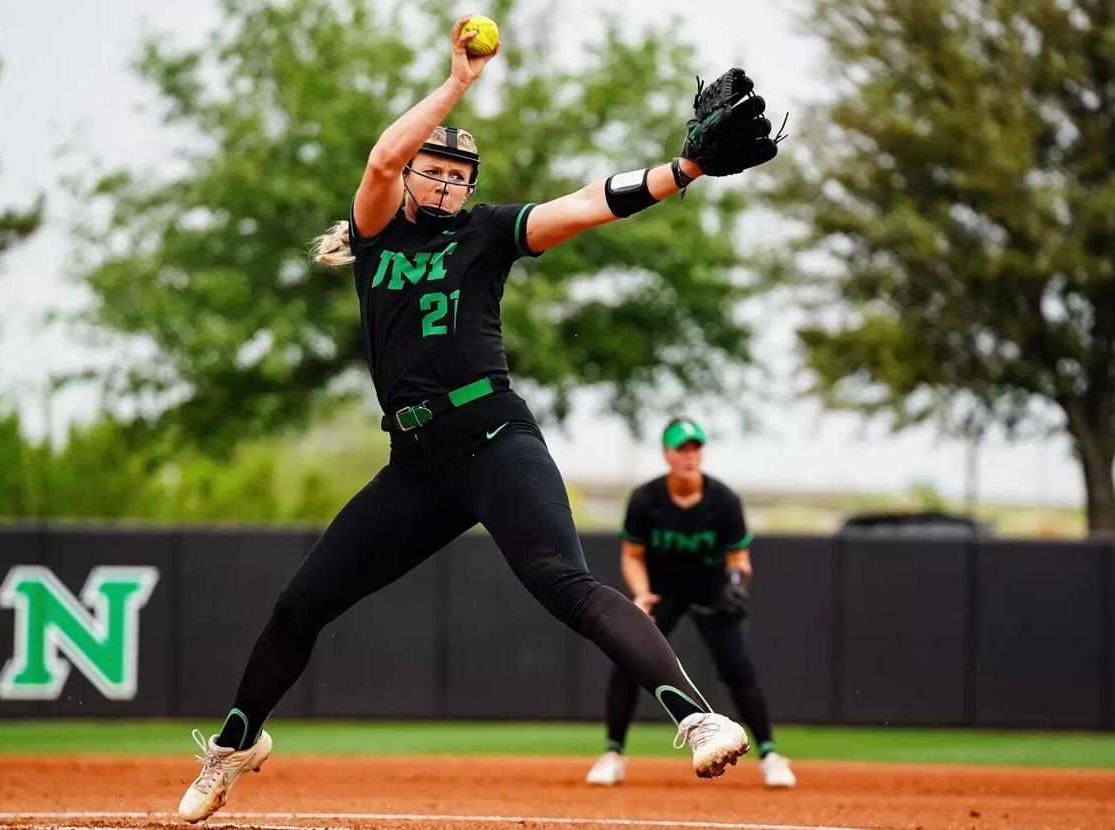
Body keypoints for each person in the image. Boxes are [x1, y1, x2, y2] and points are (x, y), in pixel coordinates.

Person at [178, 17, 782, 823]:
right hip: (416, 466)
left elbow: (587, 204)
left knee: (564, 586)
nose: (445, 180)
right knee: (300, 605)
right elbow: (381, 159)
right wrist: (457, 83)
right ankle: (234, 746)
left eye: (459, 172)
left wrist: (684, 169)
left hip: (494, 437)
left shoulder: (488, 232)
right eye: (436, 166)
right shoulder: (377, 226)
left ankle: (696, 717)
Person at [585, 417, 796, 788]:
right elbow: (632, 553)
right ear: (666, 454)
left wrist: (735, 584)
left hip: (710, 591)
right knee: (628, 662)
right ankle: (613, 754)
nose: (689, 454)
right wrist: (640, 593)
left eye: (695, 447)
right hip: (662, 590)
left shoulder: (724, 500)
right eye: (681, 448)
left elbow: (739, 559)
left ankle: (771, 755)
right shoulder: (647, 499)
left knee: (738, 669)